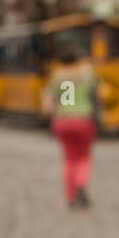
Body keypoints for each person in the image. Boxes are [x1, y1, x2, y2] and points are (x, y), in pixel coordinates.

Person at [42, 42, 97, 209]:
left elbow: (49, 99)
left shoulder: (58, 77)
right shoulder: (87, 74)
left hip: (63, 121)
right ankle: (81, 184)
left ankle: (71, 195)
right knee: (84, 157)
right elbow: (96, 94)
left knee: (69, 159)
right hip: (83, 120)